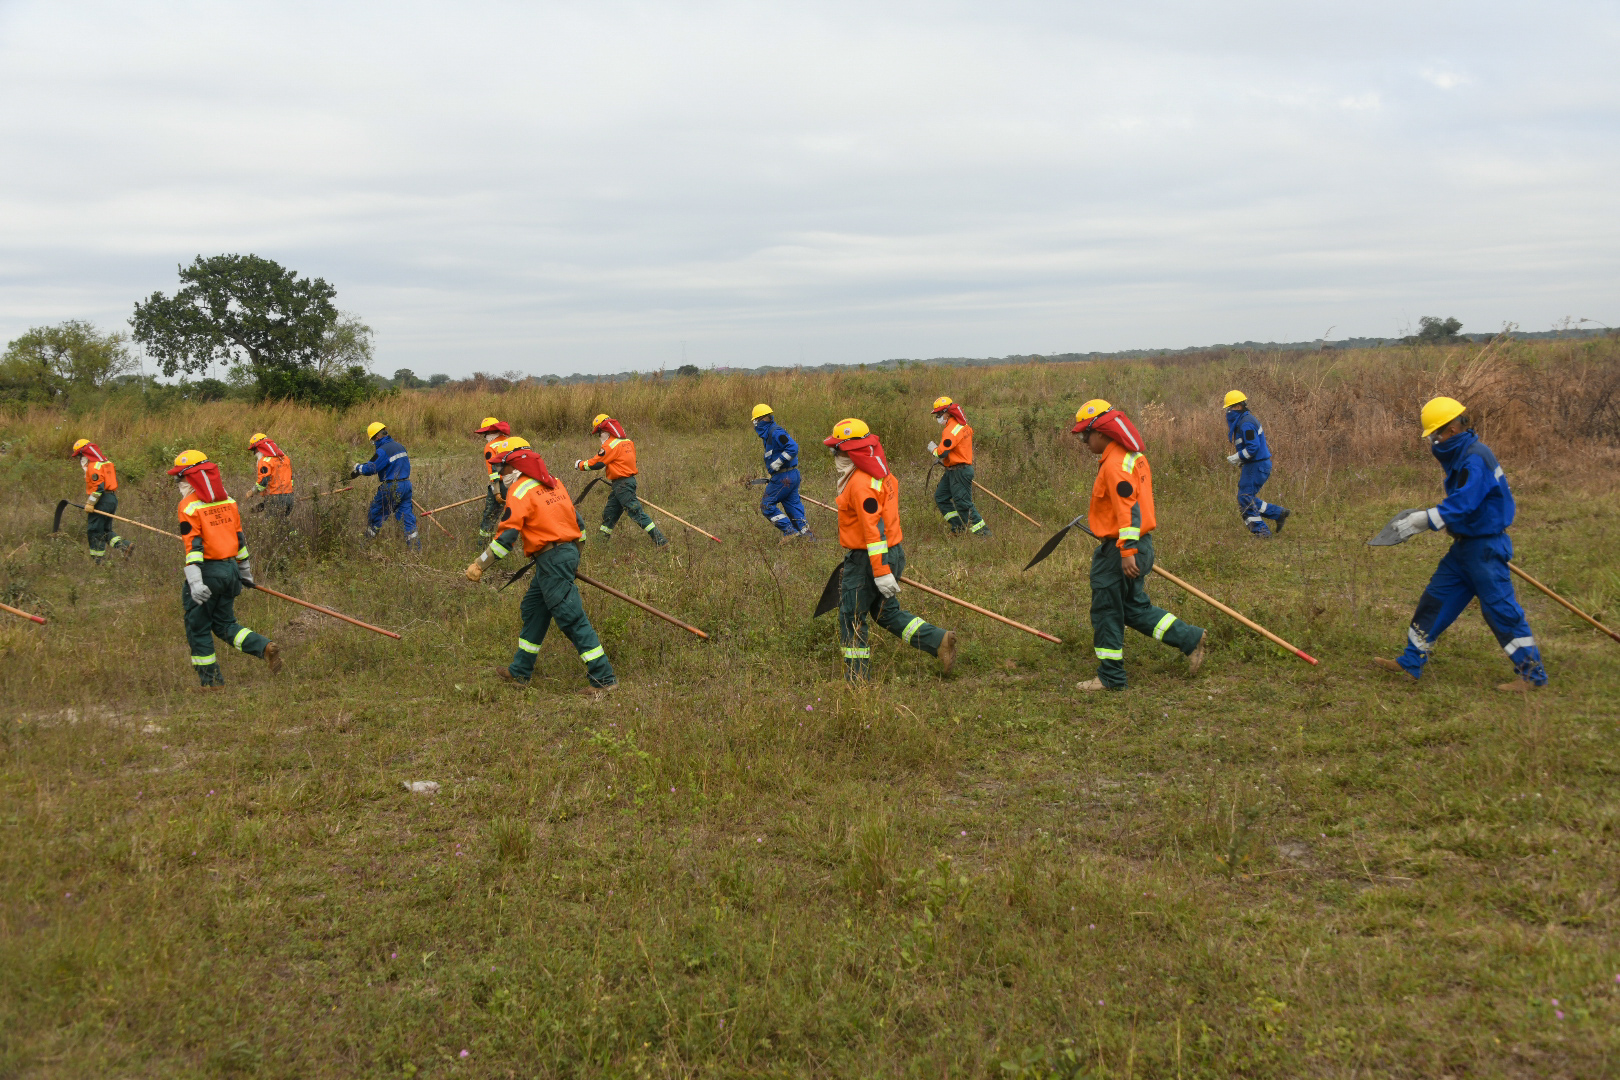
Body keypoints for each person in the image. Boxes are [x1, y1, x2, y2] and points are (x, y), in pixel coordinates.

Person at [1372, 396, 1548, 692]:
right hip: (1465, 549)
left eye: (1437, 434)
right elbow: (1464, 505)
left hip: (1485, 549)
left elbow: (1463, 503)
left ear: (1452, 429)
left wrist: (1423, 520)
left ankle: (1532, 675)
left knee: (1501, 611)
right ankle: (1410, 662)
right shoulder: (1465, 454)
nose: (1436, 441)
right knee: (1435, 600)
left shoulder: (1475, 458)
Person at [1072, 400, 1206, 691]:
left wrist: (1126, 552)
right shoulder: (1131, 457)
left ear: (1104, 433)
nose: (1084, 441)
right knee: (1132, 608)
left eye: (1087, 435)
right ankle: (1190, 638)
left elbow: (1128, 510)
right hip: (1139, 545)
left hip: (1123, 549)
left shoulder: (1115, 463)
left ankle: (1111, 678)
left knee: (1107, 609)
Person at [466, 440, 617, 697]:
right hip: (561, 555)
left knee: (571, 617)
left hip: (553, 558)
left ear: (514, 468)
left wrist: (480, 565)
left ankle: (604, 678)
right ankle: (520, 671)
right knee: (534, 610)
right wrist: (571, 558)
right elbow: (577, 522)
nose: (500, 477)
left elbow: (505, 539)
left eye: (501, 471)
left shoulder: (520, 491)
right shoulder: (554, 483)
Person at [823, 418, 957, 681]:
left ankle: (857, 680)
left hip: (868, 559)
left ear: (849, 452)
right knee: (886, 612)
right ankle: (938, 641)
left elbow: (874, 531)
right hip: (891, 552)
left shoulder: (861, 483)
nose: (834, 455)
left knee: (852, 615)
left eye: (836, 450)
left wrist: (880, 571)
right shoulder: (881, 473)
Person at [167, 450, 281, 688]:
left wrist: (196, 582)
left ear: (190, 478)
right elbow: (239, 541)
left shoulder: (188, 506)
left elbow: (194, 548)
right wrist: (245, 574)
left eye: (180, 478)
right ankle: (263, 646)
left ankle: (211, 683)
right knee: (225, 624)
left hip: (207, 573)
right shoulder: (228, 501)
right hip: (230, 571)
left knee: (198, 628)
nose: (178, 484)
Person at [574, 414, 667, 547]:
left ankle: (661, 541)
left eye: (599, 433)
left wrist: (580, 464)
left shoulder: (610, 445)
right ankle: (601, 542)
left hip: (622, 485)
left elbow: (597, 464)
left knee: (636, 513)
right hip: (624, 483)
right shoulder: (627, 442)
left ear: (605, 430)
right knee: (610, 513)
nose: (599, 436)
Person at [1223, 391, 1289, 538]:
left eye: (1230, 408)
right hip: (1255, 465)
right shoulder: (1244, 420)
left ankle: (1262, 532)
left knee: (1245, 498)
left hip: (1257, 466)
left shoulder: (1246, 423)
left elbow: (1253, 448)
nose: (1228, 412)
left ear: (1239, 406)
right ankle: (1278, 513)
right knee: (1247, 497)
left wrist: (1237, 457)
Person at [352, 422, 419, 550]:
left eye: (372, 440)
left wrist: (358, 468)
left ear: (377, 437)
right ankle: (416, 551)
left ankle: (364, 546)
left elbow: (370, 468)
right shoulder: (400, 446)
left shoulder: (383, 450)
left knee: (376, 514)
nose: (373, 443)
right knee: (407, 520)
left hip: (391, 487)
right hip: (406, 486)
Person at [929, 396, 989, 537]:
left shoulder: (952, 430)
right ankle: (958, 527)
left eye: (939, 414)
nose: (938, 417)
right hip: (952, 471)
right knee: (941, 497)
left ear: (947, 412)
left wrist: (933, 449)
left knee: (963, 504)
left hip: (959, 471)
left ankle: (984, 535)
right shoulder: (963, 426)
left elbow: (942, 453)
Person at [751, 403, 813, 540]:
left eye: (755, 421)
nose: (754, 425)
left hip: (784, 477)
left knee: (766, 506)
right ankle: (807, 537)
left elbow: (793, 447)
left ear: (760, 420)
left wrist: (777, 463)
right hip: (791, 475)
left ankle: (789, 531)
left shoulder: (775, 432)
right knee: (793, 505)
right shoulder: (769, 433)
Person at [68, 439, 132, 560]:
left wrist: (90, 503)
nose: (80, 459)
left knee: (94, 530)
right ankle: (124, 546)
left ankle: (98, 561)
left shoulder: (93, 466)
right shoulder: (106, 463)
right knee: (105, 530)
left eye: (80, 456)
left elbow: (98, 488)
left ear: (85, 454)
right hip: (112, 499)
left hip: (102, 500)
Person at [473, 416, 512, 539]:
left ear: (489, 432)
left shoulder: (490, 446)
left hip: (501, 485)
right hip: (517, 483)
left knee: (490, 515)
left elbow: (494, 471)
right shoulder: (509, 442)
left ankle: (483, 544)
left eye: (485, 433)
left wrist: (496, 492)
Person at [248, 433, 295, 516]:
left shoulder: (265, 461)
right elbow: (291, 479)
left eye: (254, 450)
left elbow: (263, 482)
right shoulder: (285, 459)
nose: (254, 453)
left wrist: (252, 491)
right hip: (290, 497)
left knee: (273, 526)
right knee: (283, 524)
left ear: (259, 448)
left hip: (275, 498)